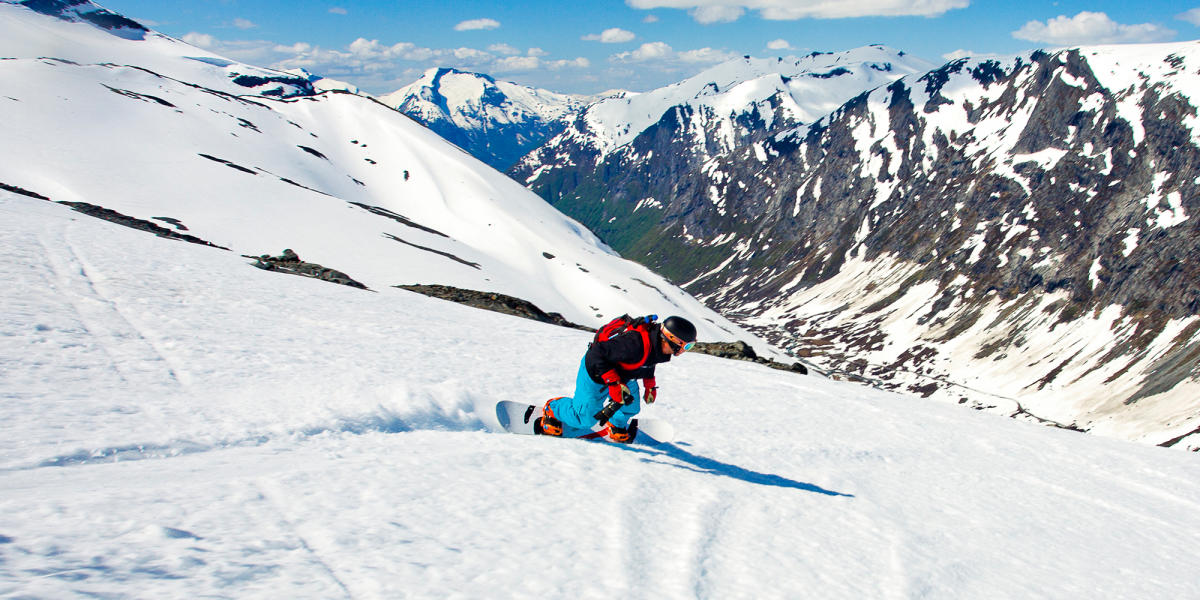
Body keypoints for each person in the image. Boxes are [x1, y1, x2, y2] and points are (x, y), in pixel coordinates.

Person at [535, 315, 697, 443]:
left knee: (631, 407)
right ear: (672, 339)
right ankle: (553, 409)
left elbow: (648, 362)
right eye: (687, 346)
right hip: (596, 372)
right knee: (584, 418)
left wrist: (650, 386)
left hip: (623, 376)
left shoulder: (657, 345)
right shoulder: (633, 344)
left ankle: (616, 424)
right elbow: (596, 354)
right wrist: (613, 383)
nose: (685, 350)